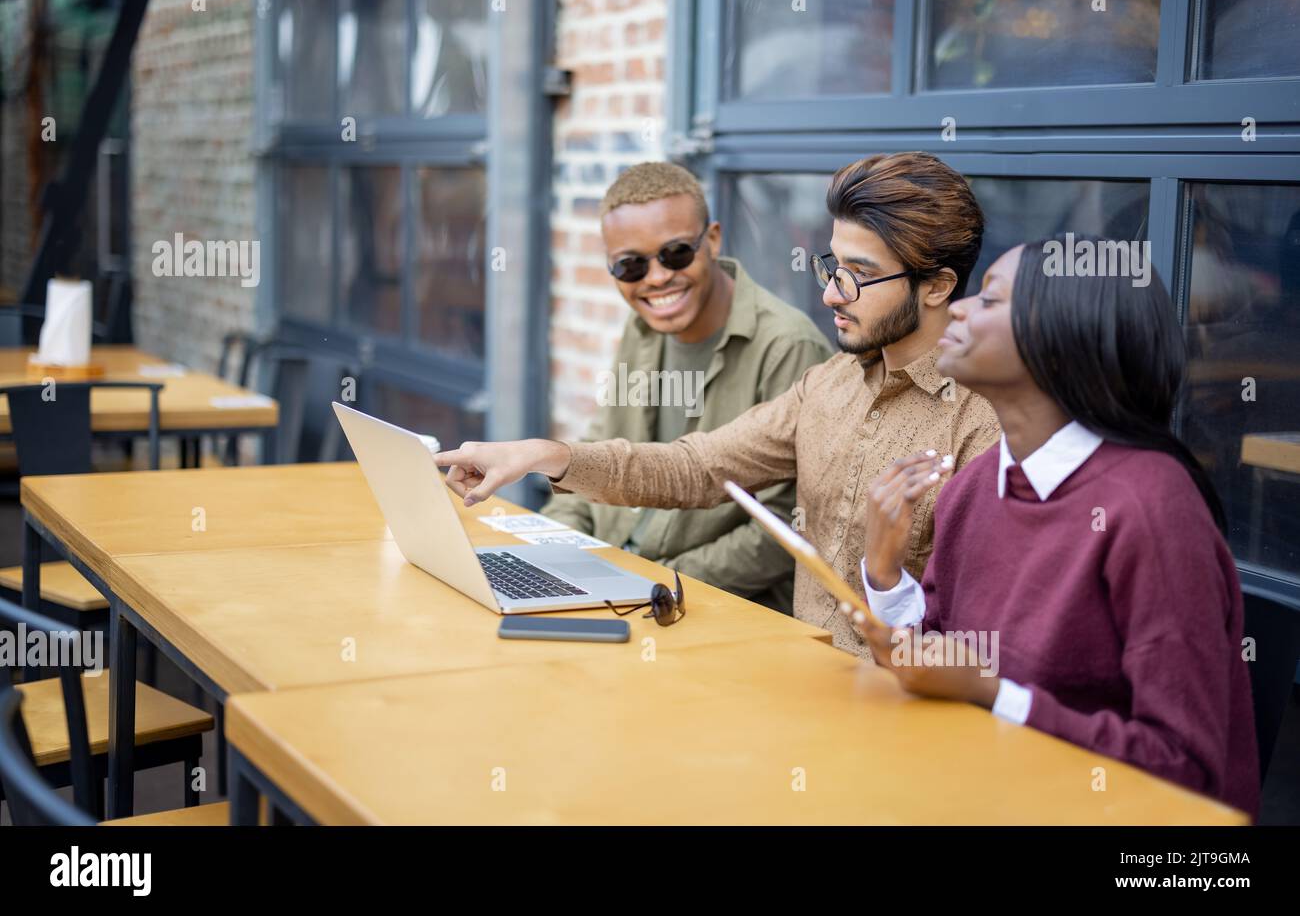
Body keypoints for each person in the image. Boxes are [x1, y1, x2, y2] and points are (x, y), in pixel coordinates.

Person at [435, 152, 1001, 653]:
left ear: (936, 285)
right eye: (834, 266)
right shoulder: (830, 384)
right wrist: (544, 455)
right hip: (791, 676)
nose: (830, 292)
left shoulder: (984, 428)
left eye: (859, 275)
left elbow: (981, 642)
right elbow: (698, 466)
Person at [846, 235, 1260, 817]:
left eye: (990, 300)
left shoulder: (1151, 508)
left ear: (1063, 339)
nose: (959, 308)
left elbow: (1184, 768)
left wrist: (995, 696)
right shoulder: (977, 482)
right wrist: (885, 579)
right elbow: (944, 658)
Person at [542, 162, 832, 614]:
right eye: (631, 265)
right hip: (616, 581)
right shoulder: (642, 329)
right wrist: (551, 547)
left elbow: (785, 526)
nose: (656, 278)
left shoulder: (788, 346)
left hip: (708, 606)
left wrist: (652, 584)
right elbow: (596, 448)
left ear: (712, 240)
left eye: (676, 253)